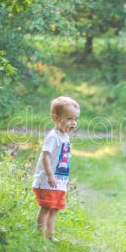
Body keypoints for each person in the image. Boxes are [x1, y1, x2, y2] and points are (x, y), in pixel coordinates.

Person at [32, 96, 80, 241]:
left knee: (55, 208)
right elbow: (45, 156)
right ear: (55, 117)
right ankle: (39, 235)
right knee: (46, 207)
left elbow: (63, 160)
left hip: (59, 180)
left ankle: (50, 235)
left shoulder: (65, 136)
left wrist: (64, 178)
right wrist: (50, 175)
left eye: (75, 119)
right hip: (48, 180)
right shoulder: (53, 136)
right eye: (69, 119)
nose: (73, 123)